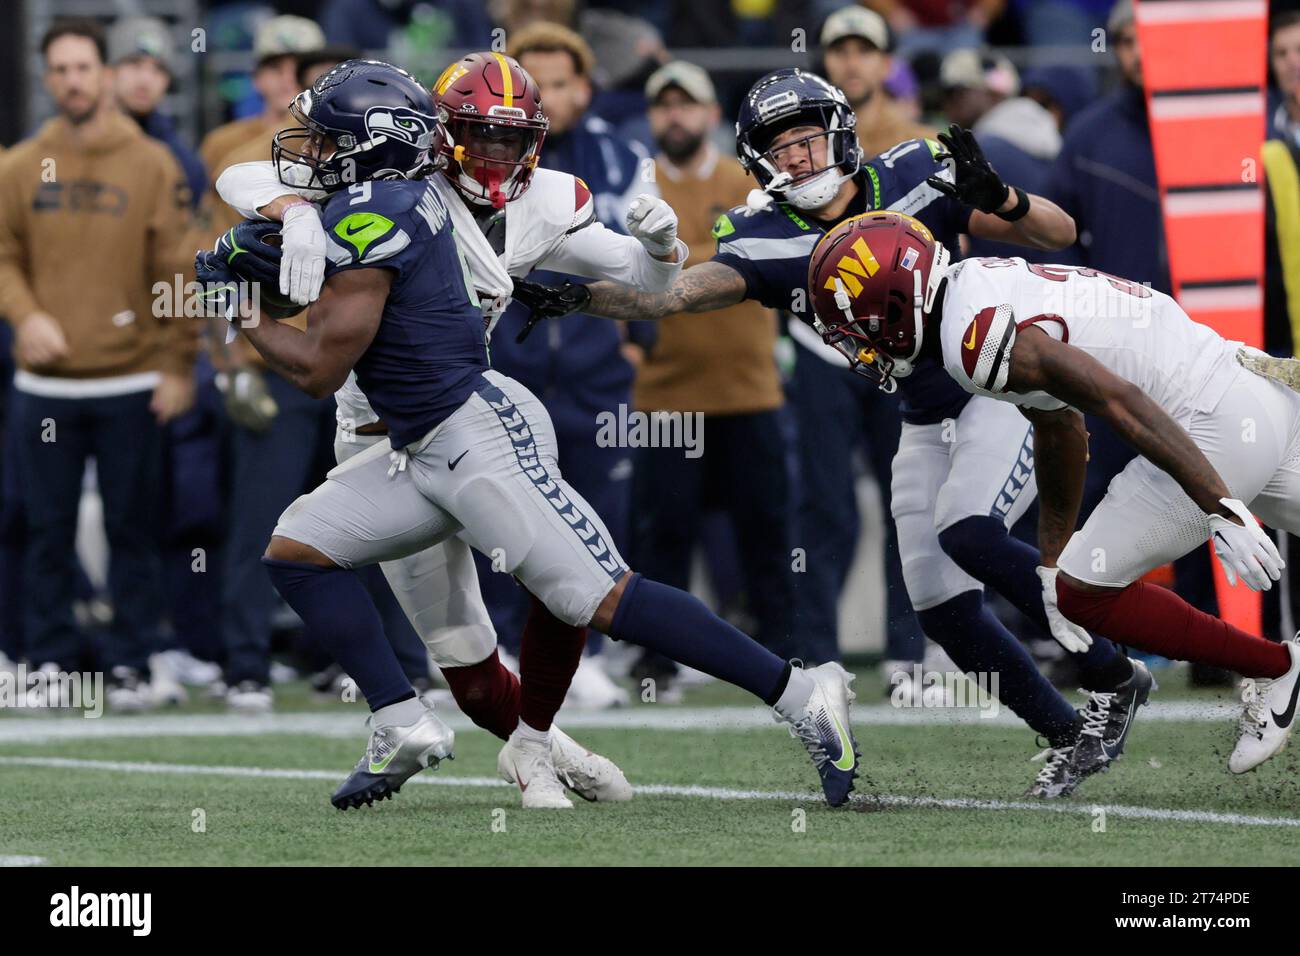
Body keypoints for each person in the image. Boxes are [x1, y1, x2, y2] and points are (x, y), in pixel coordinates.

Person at [198, 59, 861, 810]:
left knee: (592, 593)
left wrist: (662, 248)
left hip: (467, 421)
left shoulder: (515, 201)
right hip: (385, 439)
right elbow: (240, 176)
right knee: (376, 600)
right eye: (480, 137)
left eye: (513, 142)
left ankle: (794, 693)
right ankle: (480, 735)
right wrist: (298, 215)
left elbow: (648, 286)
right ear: (436, 136)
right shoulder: (377, 185)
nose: (496, 158)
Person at [578, 67, 1147, 798]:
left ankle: (1115, 672)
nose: (799, 159)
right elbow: (673, 298)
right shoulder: (763, 235)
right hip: (921, 416)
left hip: (993, 393)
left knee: (968, 532)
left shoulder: (912, 173)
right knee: (941, 608)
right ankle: (1068, 733)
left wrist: (999, 196)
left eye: (809, 140)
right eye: (780, 150)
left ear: (840, 134)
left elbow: (1062, 230)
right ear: (757, 162)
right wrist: (576, 295)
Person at [809, 210, 1300, 774]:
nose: (859, 345)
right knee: (1069, 582)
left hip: (1210, 426)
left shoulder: (971, 341)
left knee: (1087, 593)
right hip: (1248, 389)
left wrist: (1219, 506)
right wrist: (1049, 559)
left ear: (895, 306)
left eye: (859, 325)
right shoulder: (972, 289)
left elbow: (1118, 400)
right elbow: (1059, 425)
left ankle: (1274, 665)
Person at [0, 19, 195, 709]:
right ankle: (51, 665)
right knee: (45, 530)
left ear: (105, 75)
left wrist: (177, 367)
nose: (73, 81)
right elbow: (4, 258)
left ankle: (135, 662)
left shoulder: (152, 165)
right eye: (60, 69)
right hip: (45, 387)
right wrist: (27, 316)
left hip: (134, 380)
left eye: (84, 67)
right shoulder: (21, 165)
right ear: (47, 77)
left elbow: (180, 271)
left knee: (133, 530)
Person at [1045, 0, 1225, 673]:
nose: (1136, 53)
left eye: (1146, 39)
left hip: (1205, 348)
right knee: (1100, 497)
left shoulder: (1216, 126)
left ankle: (1214, 642)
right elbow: (1060, 243)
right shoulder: (1089, 136)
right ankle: (1087, 644)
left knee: (1214, 488)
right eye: (1123, 41)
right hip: (1114, 352)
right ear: (1112, 50)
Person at [628, 61, 793, 684]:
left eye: (687, 103)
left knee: (766, 531)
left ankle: (782, 653)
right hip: (664, 393)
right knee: (663, 534)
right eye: (663, 105)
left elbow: (757, 255)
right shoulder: (631, 187)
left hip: (749, 389)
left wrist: (671, 263)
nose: (675, 115)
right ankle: (657, 661)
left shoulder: (749, 181)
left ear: (709, 114)